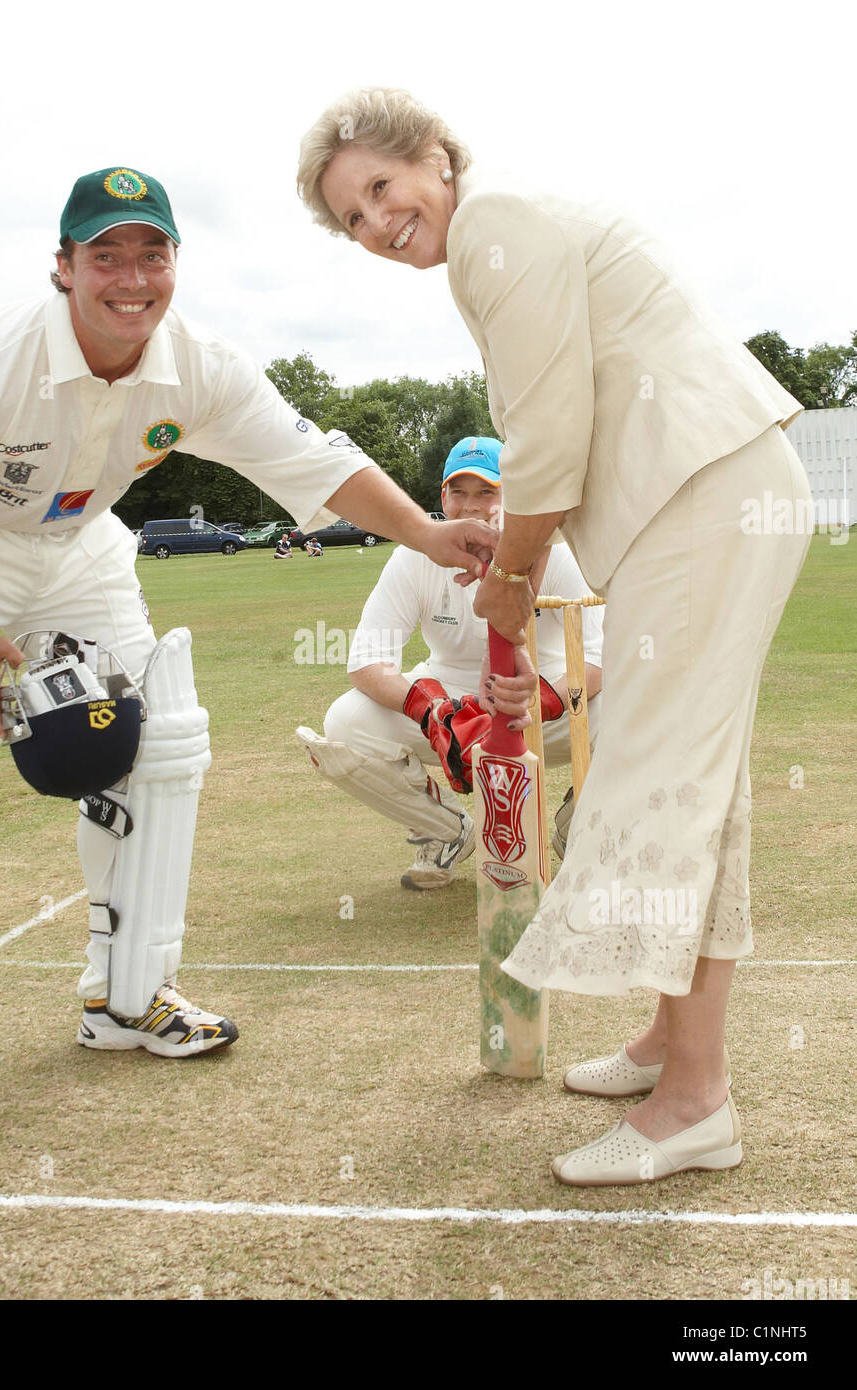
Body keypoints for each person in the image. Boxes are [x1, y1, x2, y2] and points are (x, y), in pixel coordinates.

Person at [0, 164, 496, 1142]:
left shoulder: (196, 363)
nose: (130, 275)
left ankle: (128, 996)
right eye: (106, 253)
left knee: (160, 741)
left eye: (151, 252)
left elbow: (309, 459)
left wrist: (430, 537)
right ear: (64, 267)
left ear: (174, 264)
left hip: (78, 552)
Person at [298, 90, 811, 1186]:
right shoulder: (496, 236)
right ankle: (670, 1048)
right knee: (683, 784)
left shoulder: (496, 226)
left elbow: (546, 435)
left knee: (659, 781)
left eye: (381, 190)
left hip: (707, 495)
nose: (377, 225)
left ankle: (693, 1103)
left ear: (433, 157)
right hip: (699, 501)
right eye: (352, 219)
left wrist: (512, 585)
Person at [297, 435, 602, 888]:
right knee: (345, 723)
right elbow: (367, 662)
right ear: (443, 497)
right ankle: (448, 831)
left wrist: (544, 700)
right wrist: (432, 709)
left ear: (512, 497)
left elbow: (598, 659)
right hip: (453, 706)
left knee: (640, 710)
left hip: (546, 702)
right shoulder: (414, 557)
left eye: (487, 493)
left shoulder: (554, 553)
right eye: (459, 493)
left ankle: (577, 829)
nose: (471, 507)